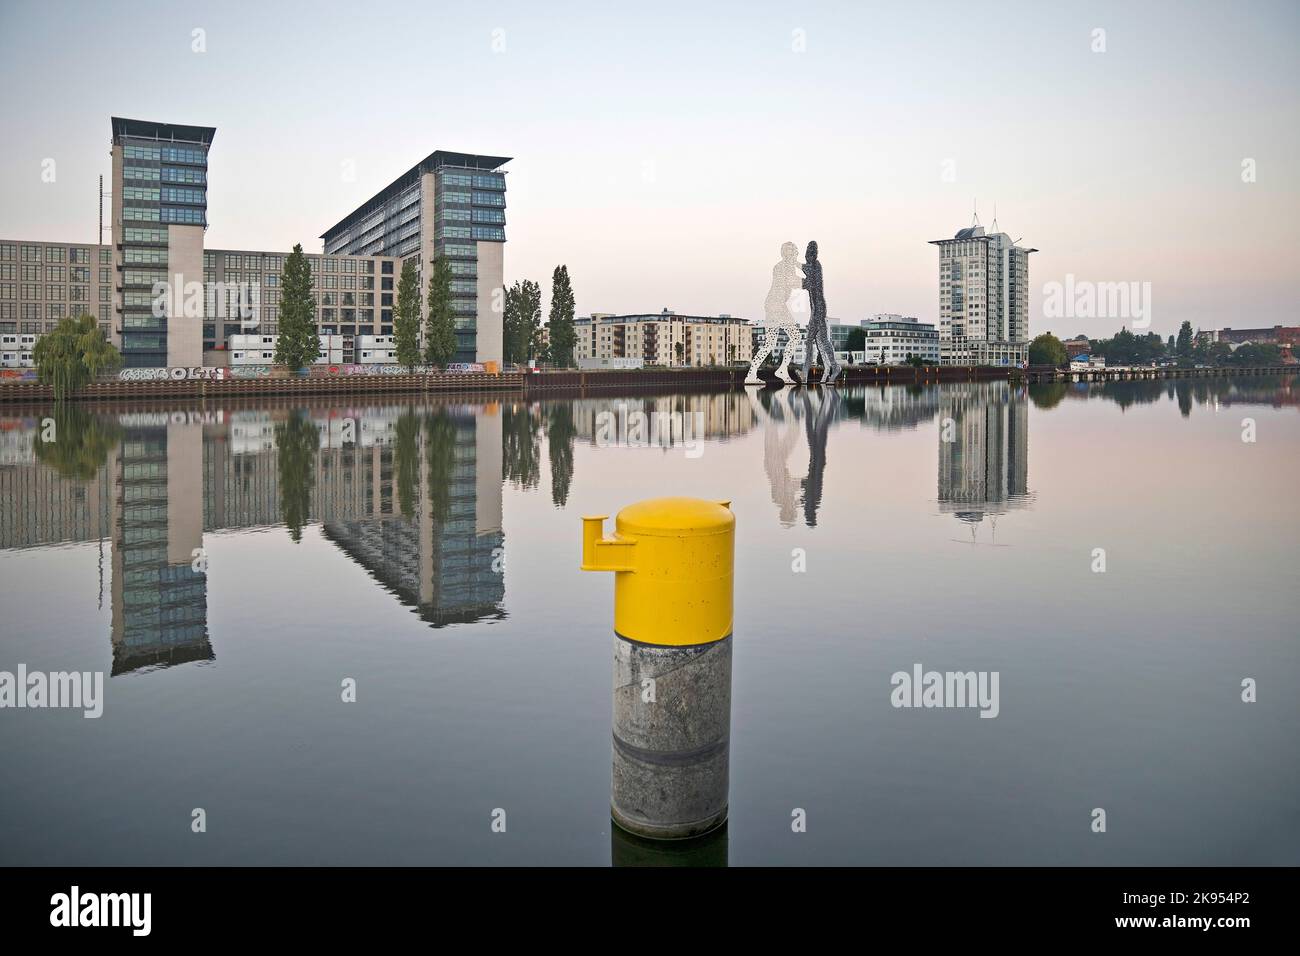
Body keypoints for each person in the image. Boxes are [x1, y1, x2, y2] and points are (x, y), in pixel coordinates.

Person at [745, 242, 804, 386]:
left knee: (769, 344)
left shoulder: (785, 265)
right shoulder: (782, 266)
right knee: (795, 336)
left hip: (773, 305)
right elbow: (791, 281)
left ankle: (751, 374)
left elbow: (793, 279)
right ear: (785, 253)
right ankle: (782, 369)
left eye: (793, 252)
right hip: (776, 306)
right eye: (789, 252)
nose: (791, 254)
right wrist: (809, 283)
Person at [800, 241, 841, 386]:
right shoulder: (813, 268)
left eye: (809, 252)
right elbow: (805, 284)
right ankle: (833, 367)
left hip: (818, 310)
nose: (807, 255)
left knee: (809, 340)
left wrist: (793, 263)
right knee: (822, 340)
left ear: (812, 254)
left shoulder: (816, 266)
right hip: (817, 309)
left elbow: (807, 279)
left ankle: (804, 372)